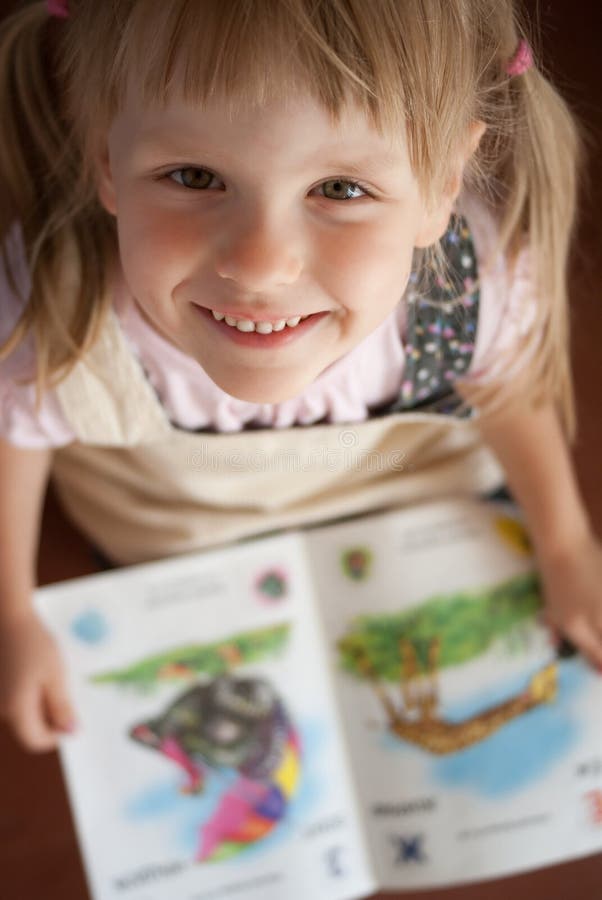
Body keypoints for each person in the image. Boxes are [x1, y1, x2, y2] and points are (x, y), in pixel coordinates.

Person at [0, 0, 600, 754]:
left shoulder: (474, 287)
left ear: (444, 182)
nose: (259, 266)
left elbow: (513, 390)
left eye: (341, 189)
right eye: (193, 176)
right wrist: (15, 617)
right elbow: (14, 432)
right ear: (105, 163)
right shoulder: (57, 308)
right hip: (182, 545)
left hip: (414, 508)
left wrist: (567, 545)